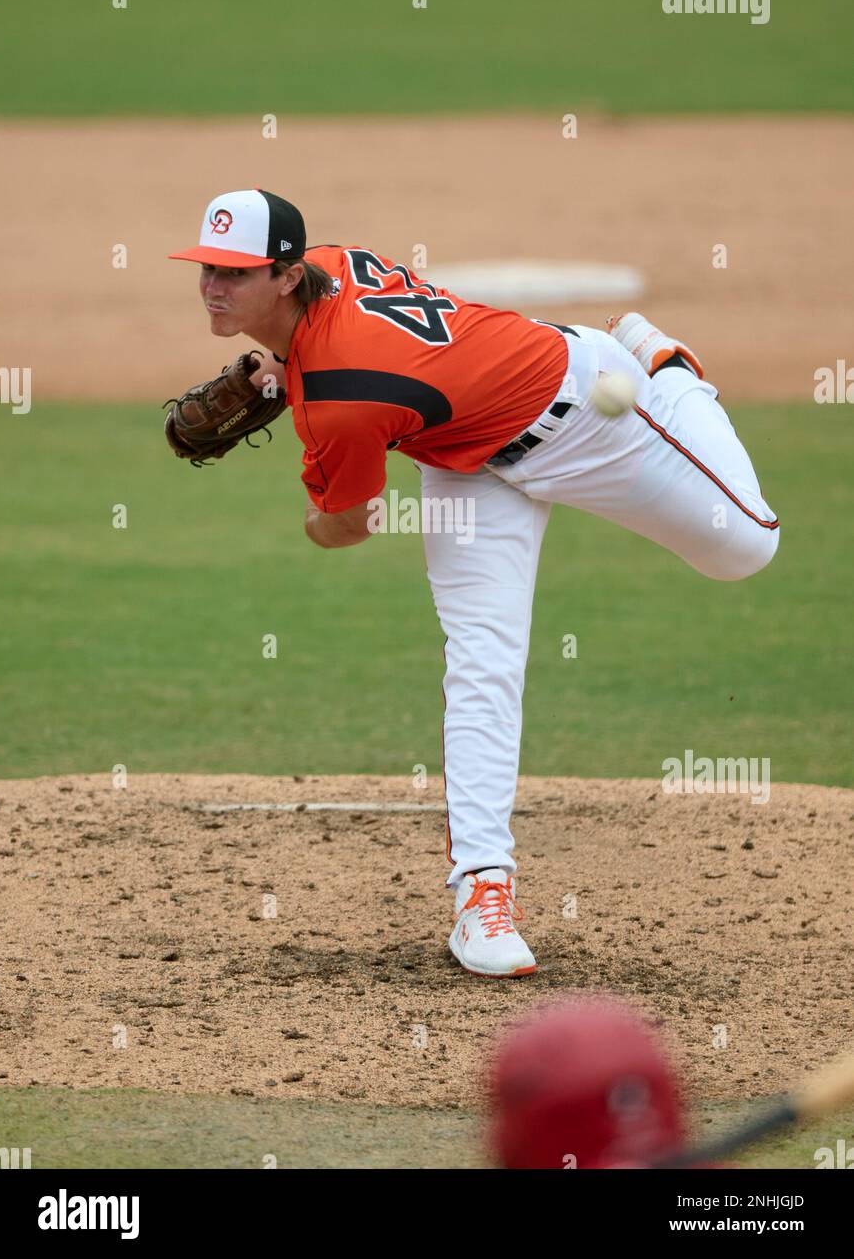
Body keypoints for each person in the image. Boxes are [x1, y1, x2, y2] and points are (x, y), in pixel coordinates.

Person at [170, 188, 780, 979]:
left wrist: (306, 502)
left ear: (286, 276)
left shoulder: (341, 404)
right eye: (207, 268)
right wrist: (284, 370)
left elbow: (347, 526)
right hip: (467, 463)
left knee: (745, 549)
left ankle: (666, 364)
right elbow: (354, 348)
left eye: (235, 272)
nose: (214, 286)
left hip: (587, 410)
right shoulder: (326, 267)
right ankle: (482, 897)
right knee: (482, 661)